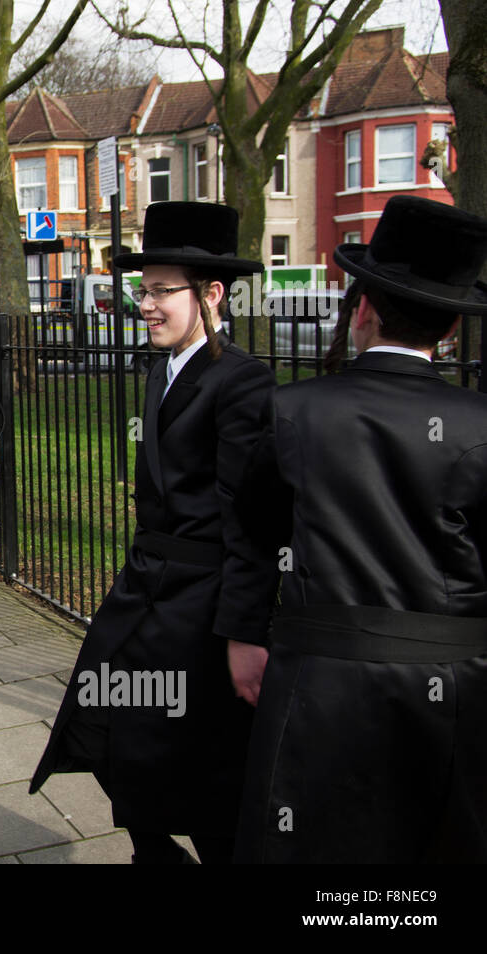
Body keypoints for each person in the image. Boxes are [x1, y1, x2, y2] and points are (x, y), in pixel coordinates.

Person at [232, 195, 487, 863]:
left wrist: (242, 636)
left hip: (320, 682)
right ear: (451, 328)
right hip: (455, 688)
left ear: (363, 308)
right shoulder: (479, 424)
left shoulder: (293, 410)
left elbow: (255, 535)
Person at [28, 202, 278, 864]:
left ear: (212, 294)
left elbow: (253, 521)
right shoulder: (163, 367)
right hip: (146, 589)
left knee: (204, 772)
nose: (145, 304)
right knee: (102, 724)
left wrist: (244, 633)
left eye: (162, 291)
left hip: (201, 606)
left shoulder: (241, 381)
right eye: (144, 290)